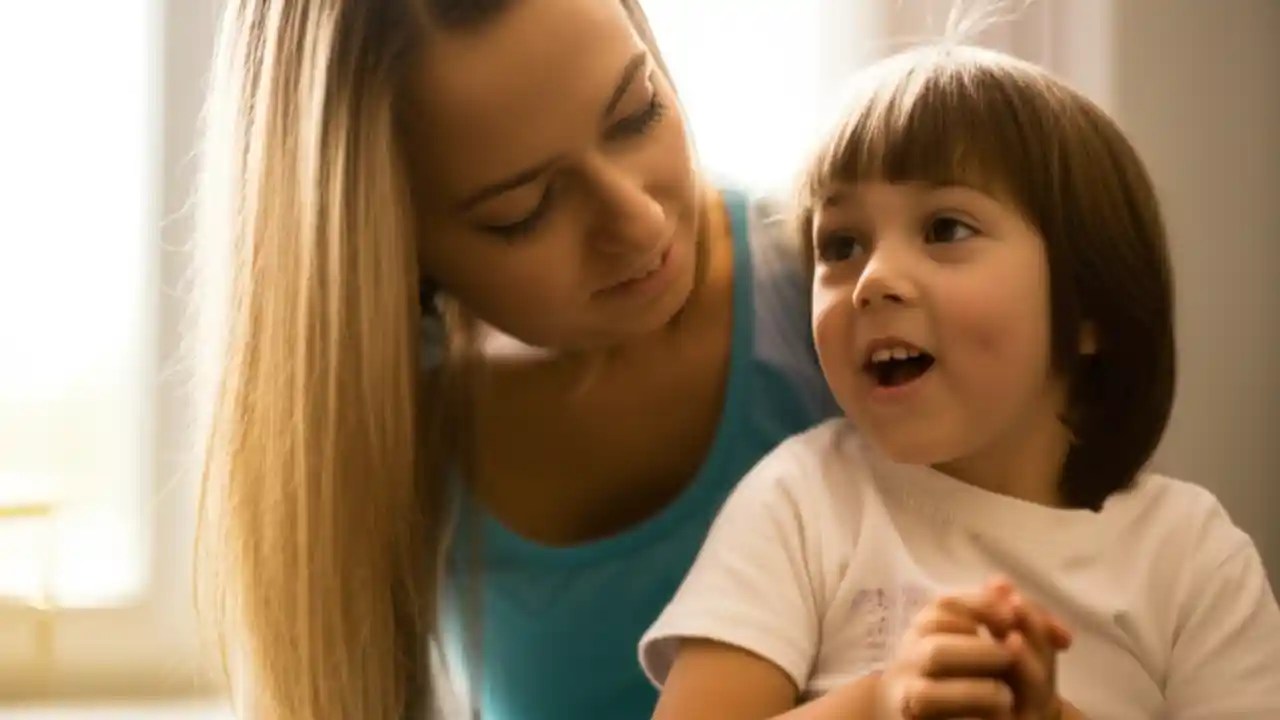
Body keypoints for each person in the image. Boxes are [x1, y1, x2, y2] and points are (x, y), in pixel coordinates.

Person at [190, 1, 837, 718]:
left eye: (637, 113)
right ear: (398, 251)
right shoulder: (387, 429)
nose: (641, 222)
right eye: (523, 211)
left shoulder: (839, 300)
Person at [640, 44, 1280, 719]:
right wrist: (880, 701)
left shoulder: (1191, 556)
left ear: (1092, 306)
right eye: (842, 245)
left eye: (945, 228)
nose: (873, 280)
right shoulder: (802, 500)